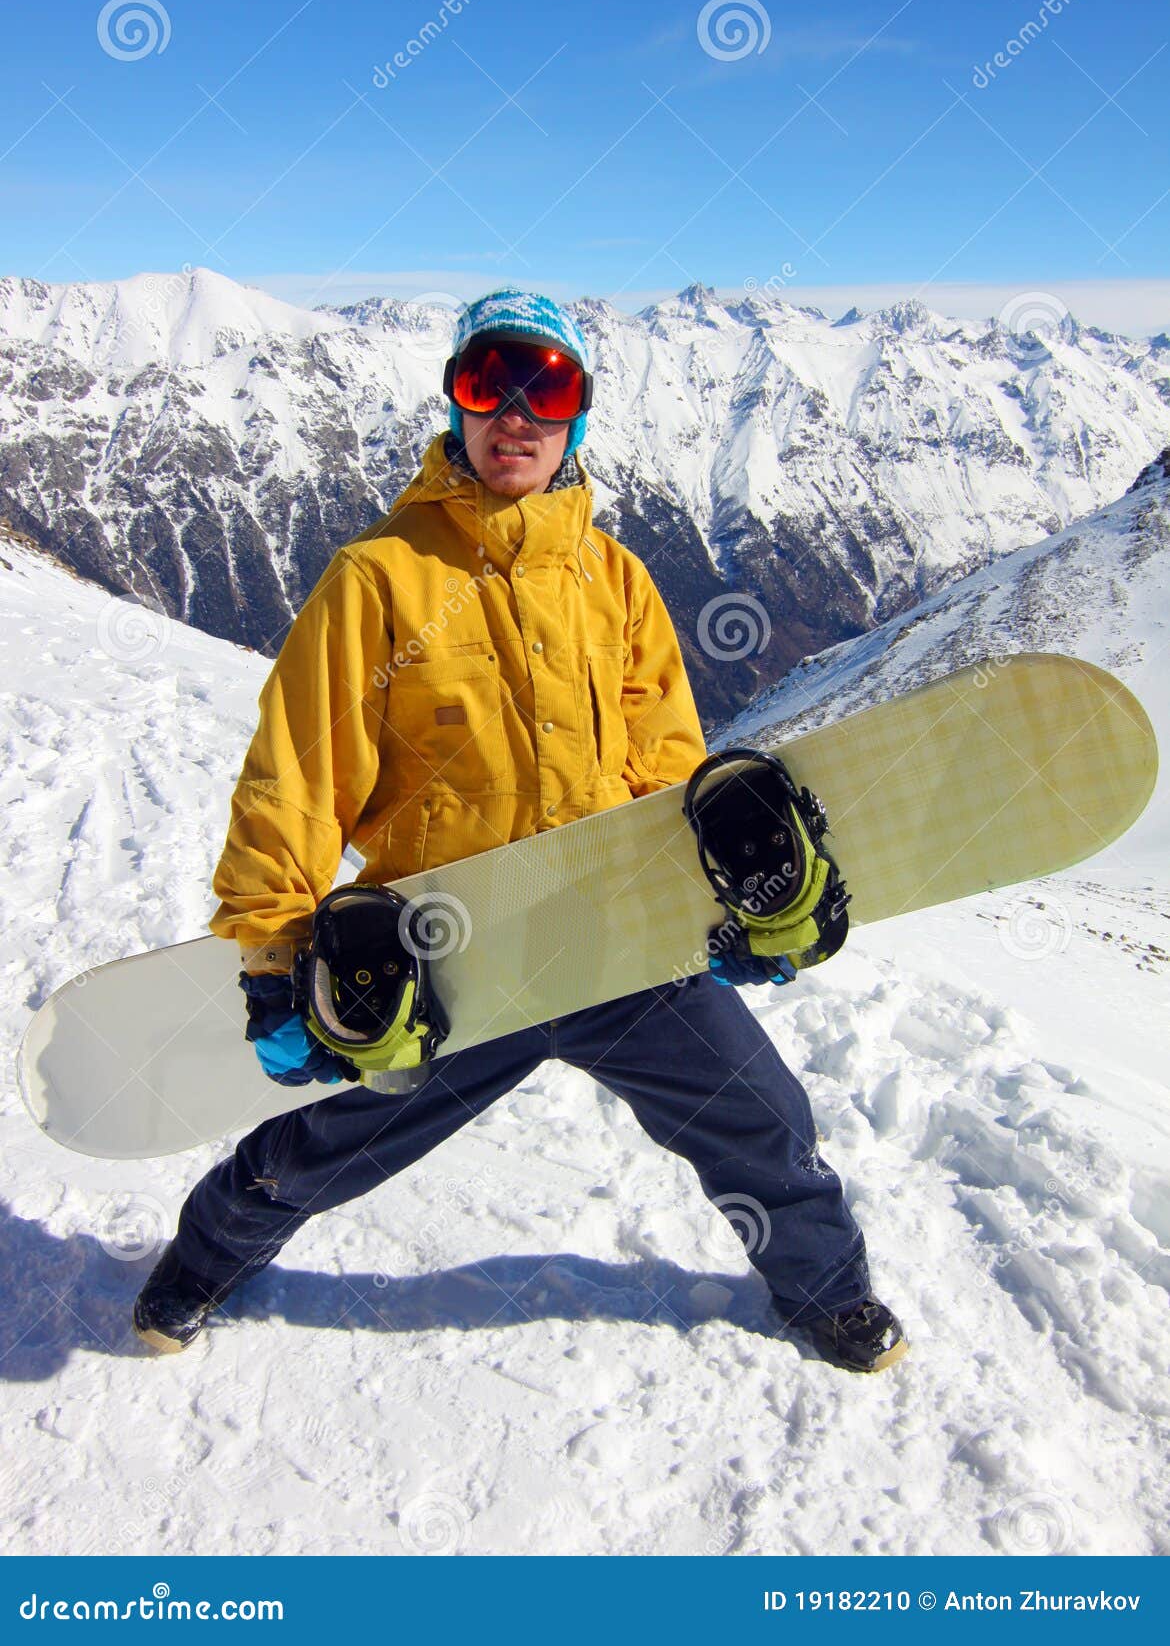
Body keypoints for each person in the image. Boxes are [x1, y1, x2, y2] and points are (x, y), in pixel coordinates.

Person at [133, 290, 905, 1373]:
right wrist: (275, 952)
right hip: (451, 957)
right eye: (488, 382)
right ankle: (206, 1256)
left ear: (578, 417)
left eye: (550, 388)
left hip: (617, 935)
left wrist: (723, 896)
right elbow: (297, 775)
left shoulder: (618, 580)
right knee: (321, 1149)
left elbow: (666, 762)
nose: (517, 412)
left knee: (763, 1116)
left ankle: (826, 1288)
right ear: (457, 400)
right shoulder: (378, 580)